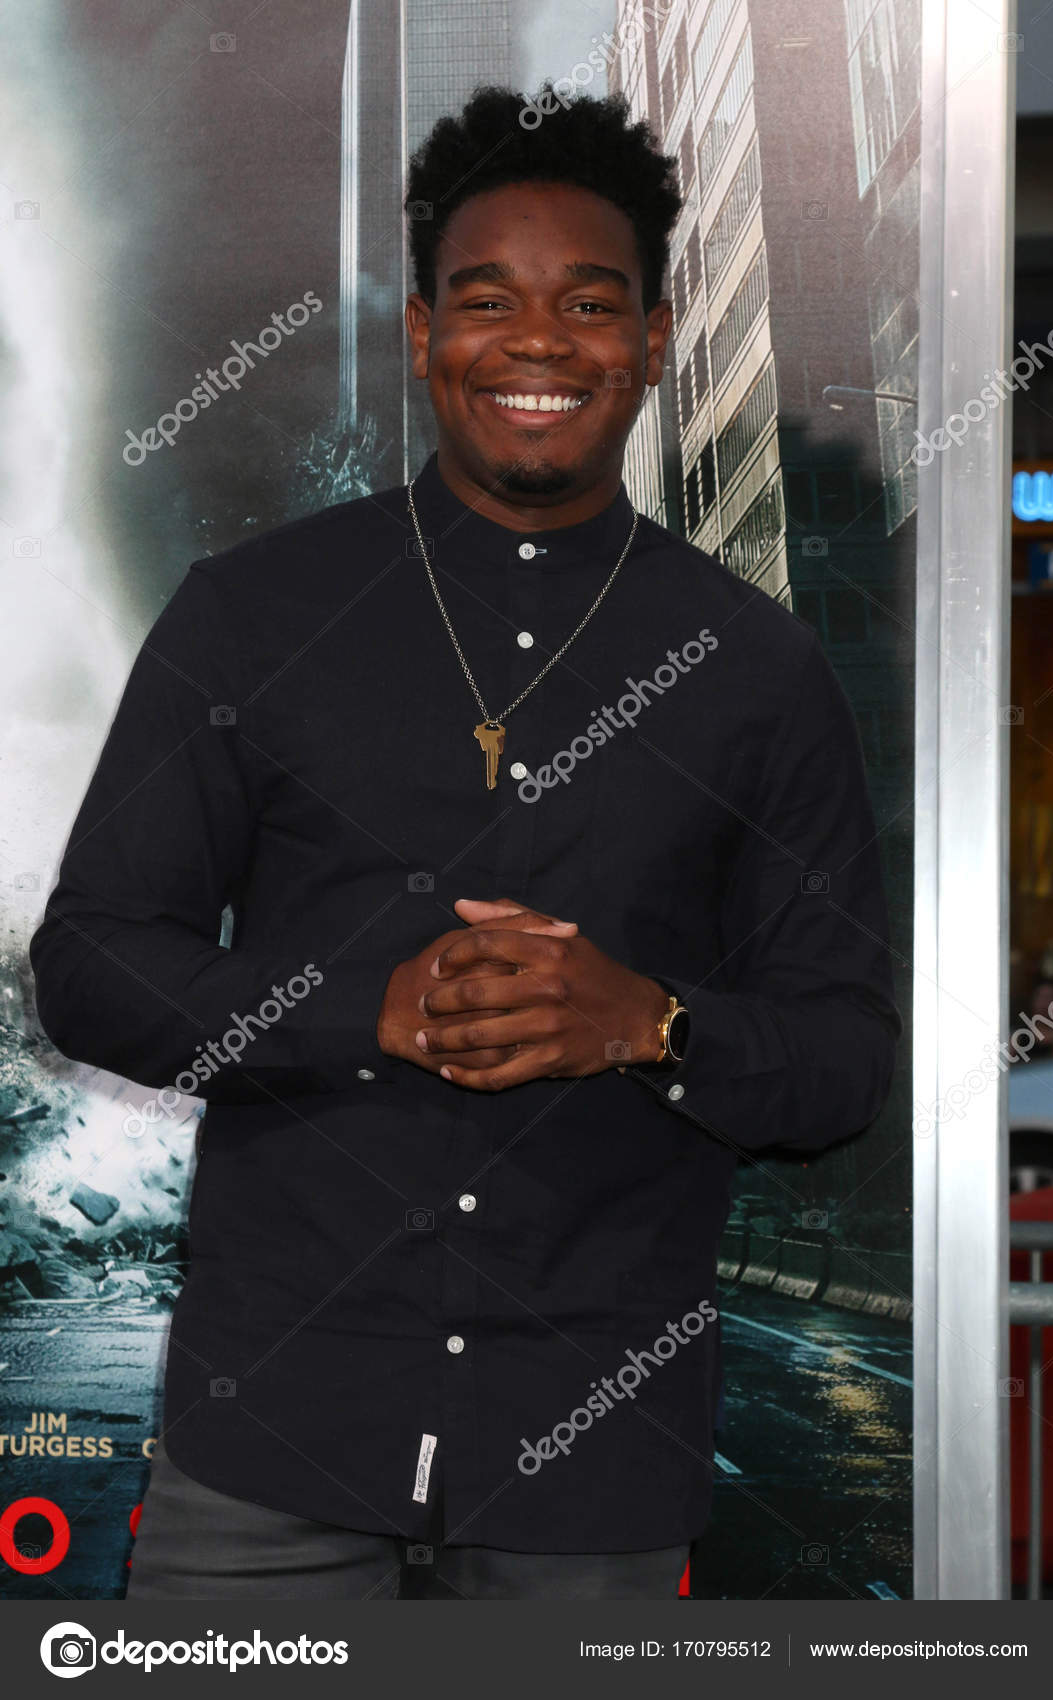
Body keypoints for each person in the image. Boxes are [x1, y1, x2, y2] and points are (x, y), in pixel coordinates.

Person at [29, 82, 901, 1601]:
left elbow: (844, 1059)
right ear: (425, 332)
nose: (541, 342)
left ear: (652, 335)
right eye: (488, 299)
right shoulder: (253, 618)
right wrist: (359, 1007)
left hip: (594, 1483)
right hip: (273, 1461)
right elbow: (93, 966)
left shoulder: (759, 672)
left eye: (590, 302)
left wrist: (648, 1023)